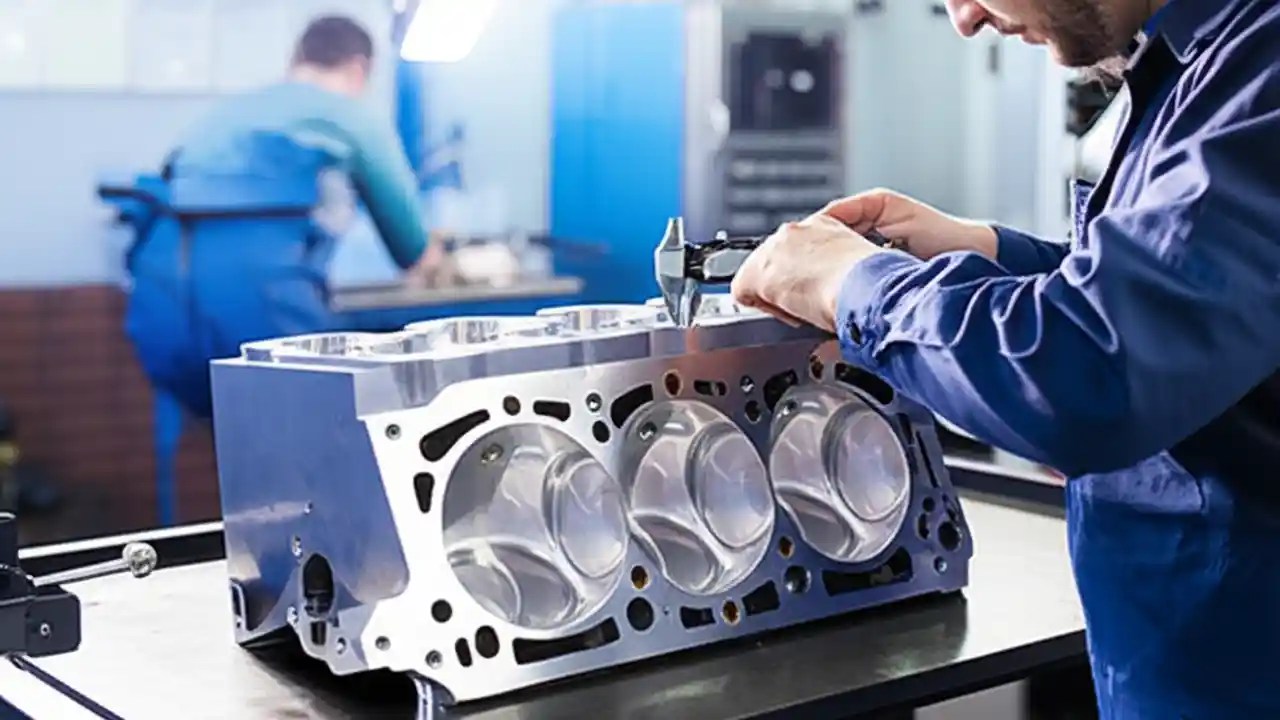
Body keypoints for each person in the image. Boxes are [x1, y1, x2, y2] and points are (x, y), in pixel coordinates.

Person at [730, 0, 1279, 717]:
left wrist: (857, 285)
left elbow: (1094, 374)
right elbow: (1199, 303)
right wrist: (990, 254)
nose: (963, 19)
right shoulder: (1213, 59)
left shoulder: (1261, 67)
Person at [126, 15, 443, 418]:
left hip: (161, 310)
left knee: (234, 430)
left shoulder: (230, 113)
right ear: (358, 69)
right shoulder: (348, 116)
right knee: (314, 426)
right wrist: (442, 256)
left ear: (297, 59)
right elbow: (413, 252)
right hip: (259, 313)